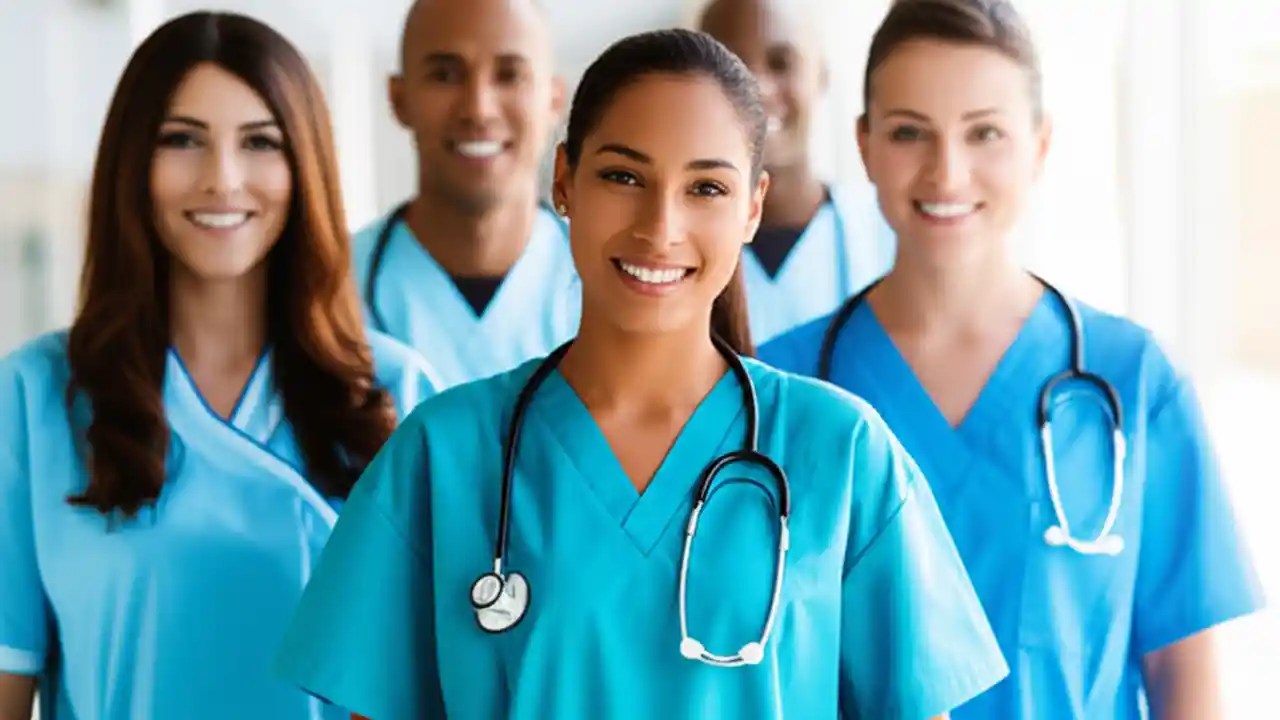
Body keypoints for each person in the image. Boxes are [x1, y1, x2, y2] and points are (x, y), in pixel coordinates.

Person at [273, 28, 1008, 720]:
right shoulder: (445, 454)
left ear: (752, 207)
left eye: (706, 189)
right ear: (564, 181)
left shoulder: (843, 452)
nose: (660, 226)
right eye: (623, 176)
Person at [759, 1, 1266, 718]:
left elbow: (1186, 674)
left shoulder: (1133, 380)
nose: (947, 171)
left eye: (985, 133)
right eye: (910, 132)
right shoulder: (781, 389)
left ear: (1040, 144)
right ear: (865, 144)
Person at [0, 12, 438, 720]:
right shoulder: (34, 399)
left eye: (260, 142)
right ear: (131, 164)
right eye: (183, 140)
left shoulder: (397, 394)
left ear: (305, 165)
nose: (222, 179)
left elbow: (434, 684)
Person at [355, 0, 577, 388]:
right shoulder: (327, 287)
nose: (478, 108)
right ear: (399, 98)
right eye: (444, 74)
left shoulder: (612, 287)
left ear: (554, 99)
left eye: (510, 75)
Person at [697, 0, 895, 344]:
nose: (758, 89)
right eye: (732, 68)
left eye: (781, 63)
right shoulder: (667, 244)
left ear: (820, 76)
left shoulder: (889, 235)